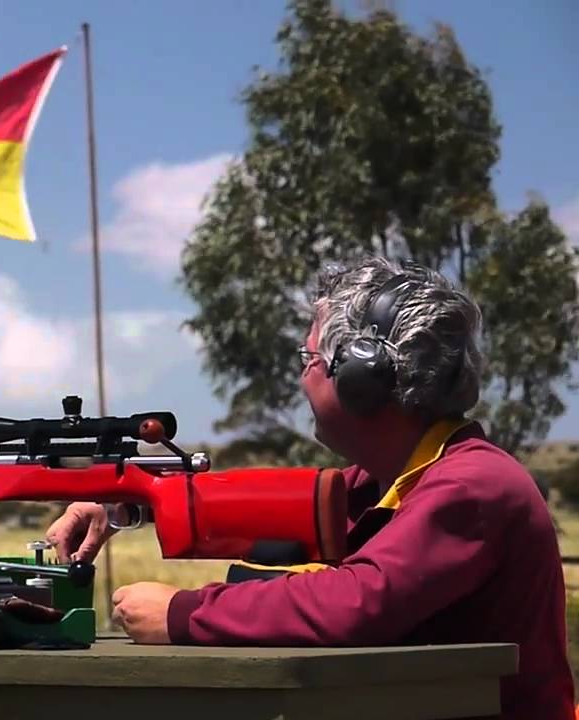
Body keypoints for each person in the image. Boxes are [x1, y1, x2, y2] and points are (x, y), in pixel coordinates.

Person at [46, 255, 574, 719]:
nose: (302, 378)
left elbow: (357, 602)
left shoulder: (474, 486)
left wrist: (182, 614)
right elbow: (261, 513)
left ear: (360, 379)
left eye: (310, 360)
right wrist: (126, 507)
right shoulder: (392, 481)